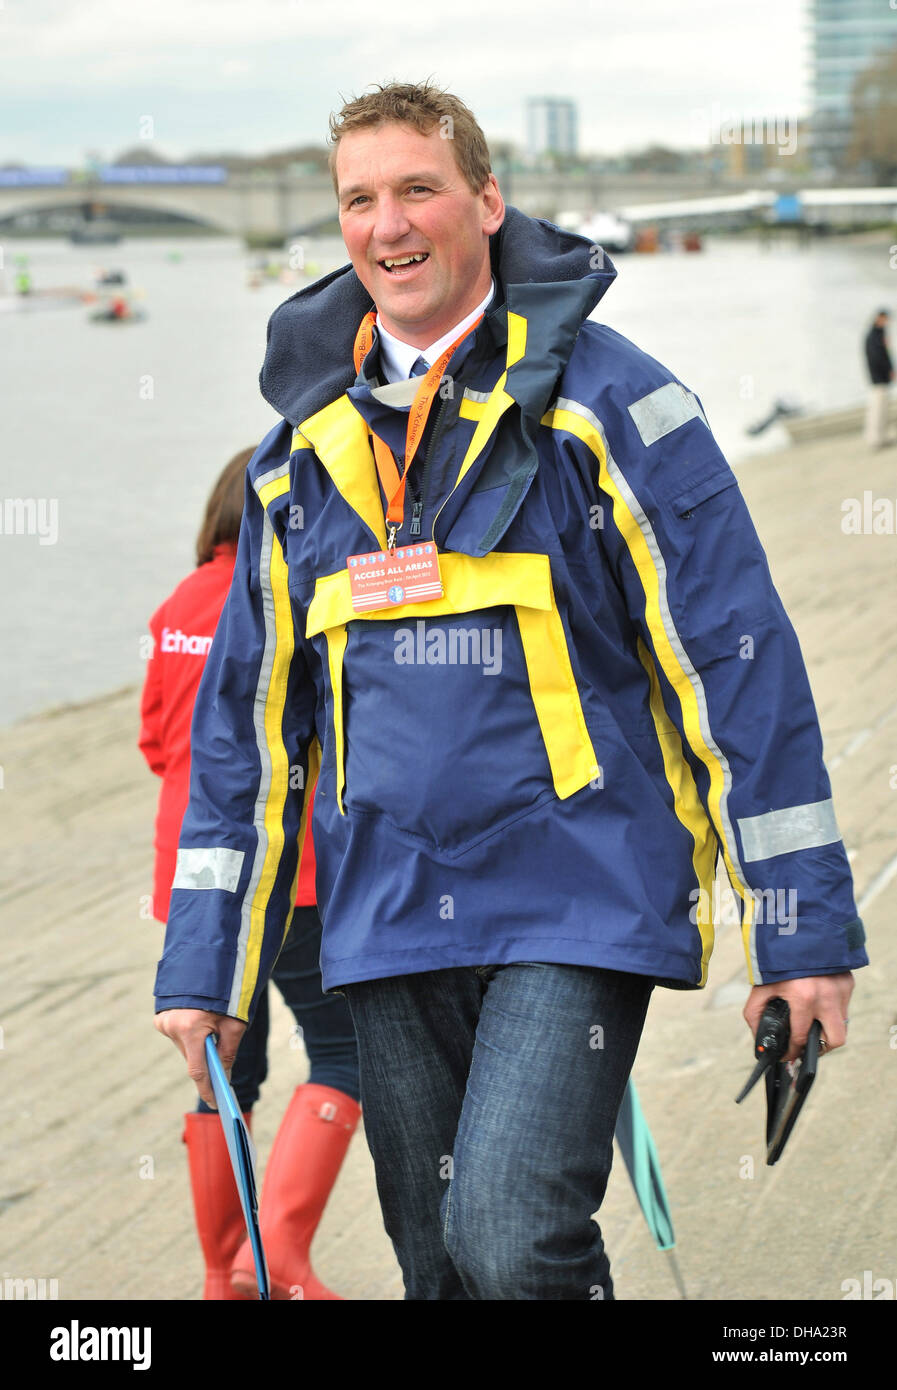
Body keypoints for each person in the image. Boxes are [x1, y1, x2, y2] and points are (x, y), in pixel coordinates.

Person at [154, 81, 866, 1301]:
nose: (391, 224)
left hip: (575, 893)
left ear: (487, 199)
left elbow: (737, 664)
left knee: (508, 1233)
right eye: (361, 199)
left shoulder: (615, 406)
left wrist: (798, 933)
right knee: (438, 1267)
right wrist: (208, 975)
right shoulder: (296, 465)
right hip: (381, 913)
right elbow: (247, 741)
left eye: (418, 187)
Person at [139, 448, 360, 1301]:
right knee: (344, 1053)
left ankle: (220, 1278)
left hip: (189, 877)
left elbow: (156, 743)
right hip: (285, 871)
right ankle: (281, 1259)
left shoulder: (177, 606)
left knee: (223, 1066)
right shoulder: (285, 592)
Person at [863, 309, 894, 448]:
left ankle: (882, 437)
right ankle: (875, 439)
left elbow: (885, 355)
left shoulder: (878, 334)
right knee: (877, 410)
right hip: (878, 379)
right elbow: (877, 359)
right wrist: (887, 372)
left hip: (882, 378)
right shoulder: (873, 336)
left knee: (883, 410)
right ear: (879, 318)